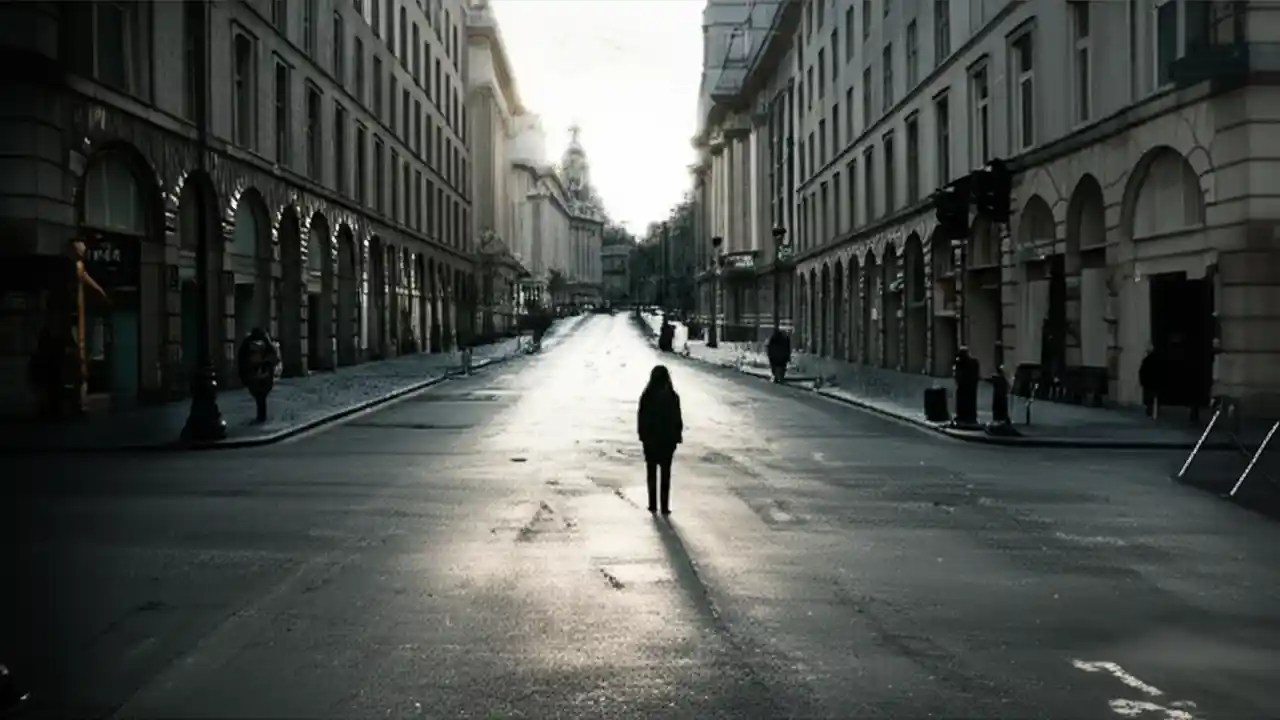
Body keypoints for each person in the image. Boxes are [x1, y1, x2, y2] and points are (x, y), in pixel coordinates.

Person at [637, 365, 684, 515]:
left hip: (651, 440)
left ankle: (652, 504)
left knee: (651, 472)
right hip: (667, 441)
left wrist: (642, 435)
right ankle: (664, 506)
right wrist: (677, 437)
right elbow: (677, 419)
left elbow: (641, 417)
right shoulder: (672, 396)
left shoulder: (647, 395)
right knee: (665, 473)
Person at [1139, 344, 1162, 418]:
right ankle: (1155, 412)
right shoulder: (1158, 360)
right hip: (1155, 382)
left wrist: (1142, 381)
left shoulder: (1146, 360)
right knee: (1155, 398)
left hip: (1148, 383)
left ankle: (1150, 412)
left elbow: (1142, 372)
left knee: (1149, 399)